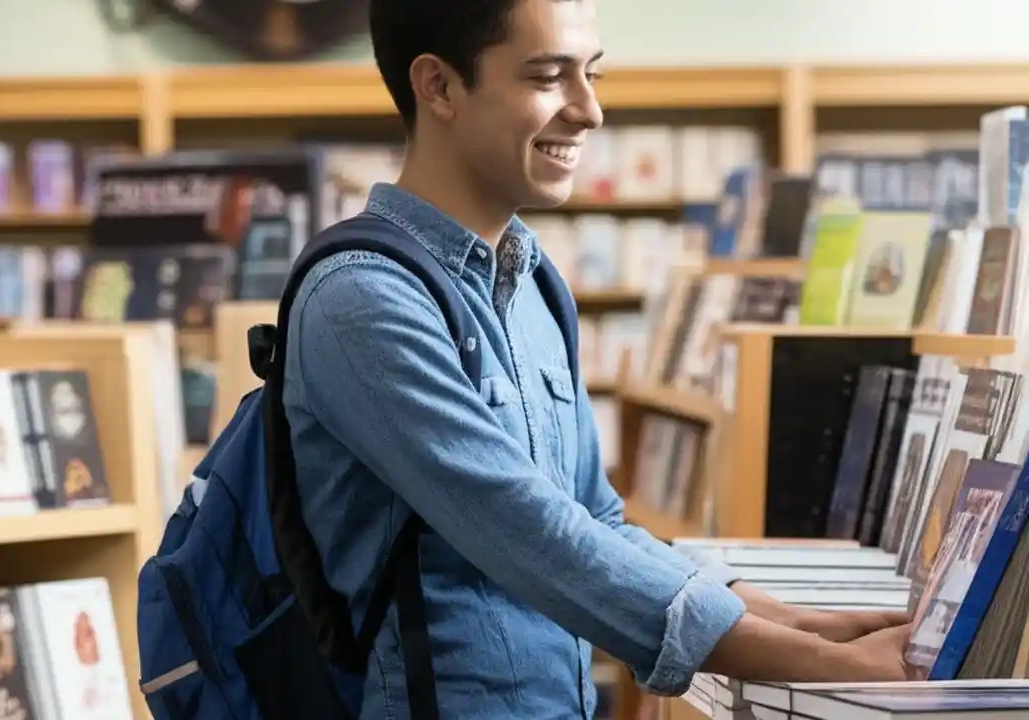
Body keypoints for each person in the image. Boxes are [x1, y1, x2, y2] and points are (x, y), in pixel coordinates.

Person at [282, 0, 913, 716]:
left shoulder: (534, 283)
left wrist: (793, 620)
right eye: (548, 76)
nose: (589, 111)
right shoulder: (360, 298)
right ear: (439, 87)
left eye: (592, 74)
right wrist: (818, 663)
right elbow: (532, 537)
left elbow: (596, 521)